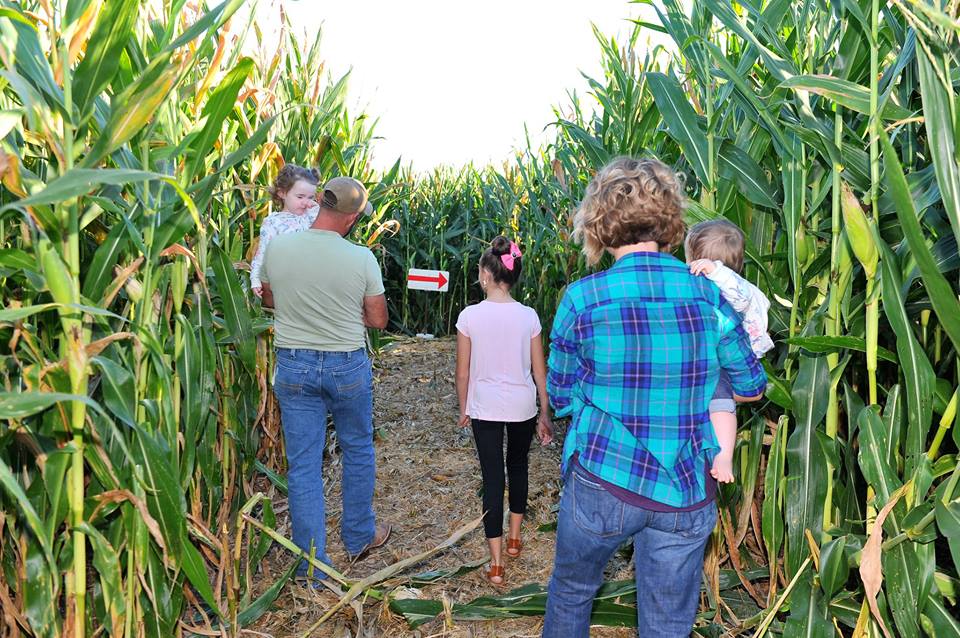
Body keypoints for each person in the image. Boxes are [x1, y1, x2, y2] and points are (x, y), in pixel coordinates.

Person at [542, 157, 767, 637]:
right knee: (666, 622)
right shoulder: (708, 296)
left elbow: (560, 395)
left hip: (603, 478)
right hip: (684, 489)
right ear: (669, 221)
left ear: (599, 225)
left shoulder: (582, 298)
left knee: (572, 592)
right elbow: (751, 385)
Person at [260, 175, 391, 580]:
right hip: (346, 364)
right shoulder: (361, 258)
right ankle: (359, 536)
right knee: (357, 447)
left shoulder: (279, 248)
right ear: (351, 218)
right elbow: (378, 320)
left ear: (320, 202)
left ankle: (312, 565)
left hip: (294, 365)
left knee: (303, 465)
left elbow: (269, 298)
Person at [455, 236, 554, 586]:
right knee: (518, 466)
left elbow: (463, 372)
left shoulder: (469, 316)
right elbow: (539, 370)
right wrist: (544, 411)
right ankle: (514, 539)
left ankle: (496, 564)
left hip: (485, 405)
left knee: (493, 478)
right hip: (522, 406)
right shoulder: (528, 316)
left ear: (485, 274)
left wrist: (464, 407)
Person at [685, 219, 775, 483]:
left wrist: (716, 271)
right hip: (729, 355)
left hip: (731, 359)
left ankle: (724, 455)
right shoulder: (725, 285)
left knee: (719, 399)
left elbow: (739, 297)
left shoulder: (730, 286)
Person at [249, 163, 321, 297]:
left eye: (310, 197)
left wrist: (316, 208)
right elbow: (262, 253)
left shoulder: (312, 215)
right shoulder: (273, 222)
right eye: (300, 197)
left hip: (313, 282)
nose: (306, 202)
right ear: (282, 193)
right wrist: (255, 279)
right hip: (286, 284)